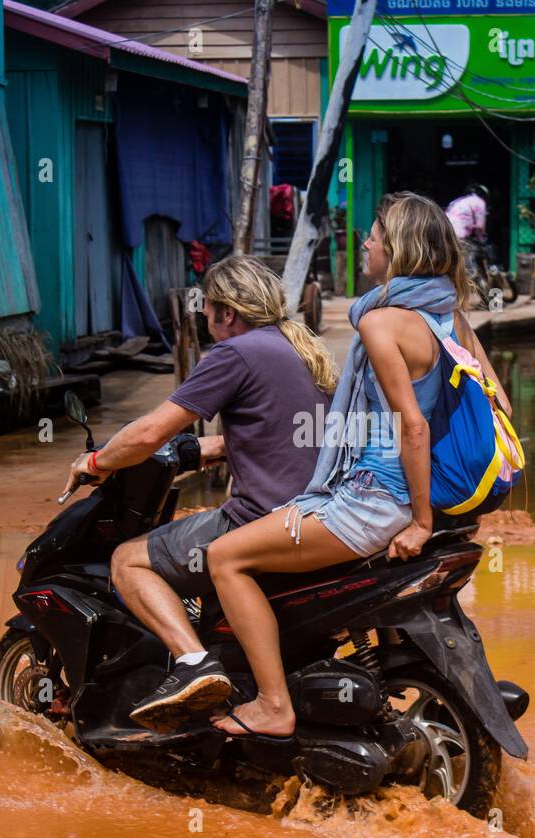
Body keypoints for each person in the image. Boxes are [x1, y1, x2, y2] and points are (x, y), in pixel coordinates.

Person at [205, 192, 509, 741]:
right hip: (420, 501)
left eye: (373, 236)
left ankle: (274, 706)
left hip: (372, 501)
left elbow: (411, 427)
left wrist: (417, 522)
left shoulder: (382, 324)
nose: (365, 243)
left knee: (225, 558)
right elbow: (499, 408)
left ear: (397, 252)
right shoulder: (450, 318)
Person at [59, 255, 336, 731]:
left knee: (127, 560)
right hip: (316, 515)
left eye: (207, 309)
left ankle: (194, 665)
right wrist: (202, 451)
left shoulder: (235, 354)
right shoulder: (302, 348)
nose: (205, 319)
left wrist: (97, 461)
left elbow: (148, 433)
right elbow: (272, 432)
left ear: (227, 312)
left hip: (263, 519)